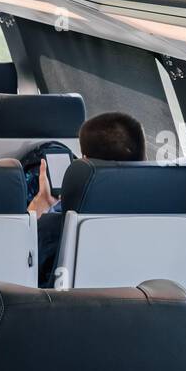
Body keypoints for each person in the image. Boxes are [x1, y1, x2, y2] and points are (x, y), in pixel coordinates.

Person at [28, 111, 147, 287]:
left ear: (85, 161)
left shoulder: (53, 228)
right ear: (144, 158)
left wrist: (37, 208)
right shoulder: (174, 212)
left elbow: (17, 267)